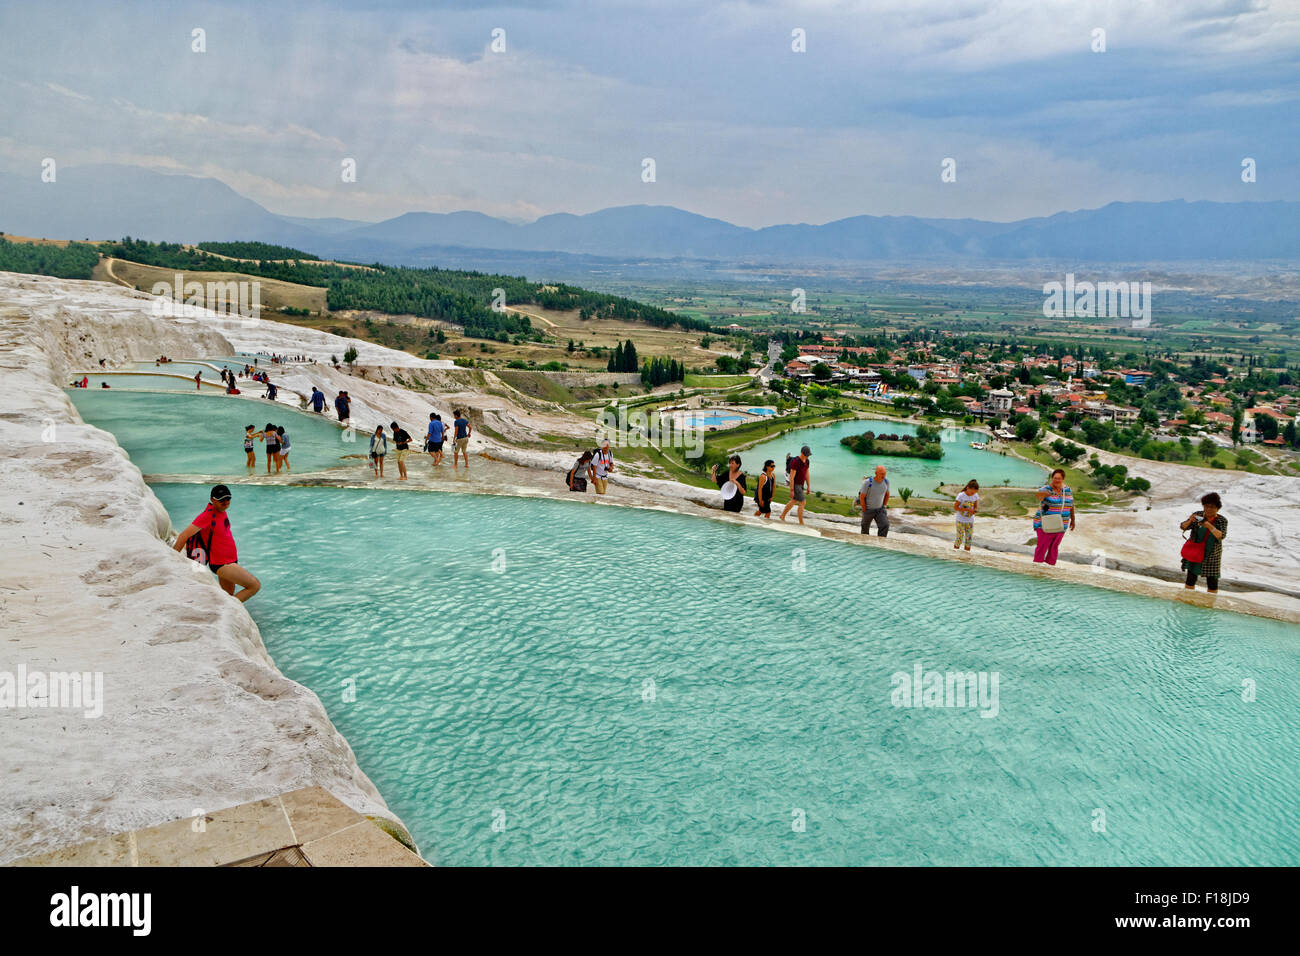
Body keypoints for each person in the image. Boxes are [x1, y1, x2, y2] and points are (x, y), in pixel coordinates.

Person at [172, 484, 261, 603]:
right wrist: (172, 560)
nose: (226, 502)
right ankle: (231, 610)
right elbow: (184, 536)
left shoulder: (221, 510)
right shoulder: (207, 515)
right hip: (222, 564)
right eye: (222, 500)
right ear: (212, 500)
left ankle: (225, 613)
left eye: (228, 498)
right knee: (254, 586)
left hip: (230, 560)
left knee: (228, 596)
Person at [1181, 492, 1227, 593]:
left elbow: (1221, 535)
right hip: (1195, 551)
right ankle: (1187, 600)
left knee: (1212, 581)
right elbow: (1183, 527)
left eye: (1212, 507)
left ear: (1218, 508)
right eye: (1206, 506)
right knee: (1191, 578)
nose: (1209, 509)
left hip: (1212, 554)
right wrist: (1190, 520)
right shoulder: (1198, 515)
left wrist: (1209, 525)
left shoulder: (1221, 520)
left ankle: (1210, 604)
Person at [1033, 468, 1075, 566]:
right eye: (1055, 478)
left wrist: (1073, 520)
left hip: (1062, 524)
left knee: (1054, 547)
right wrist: (1045, 493)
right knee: (1042, 547)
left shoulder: (1067, 490)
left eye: (1059, 478)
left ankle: (1050, 568)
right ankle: (1036, 567)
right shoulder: (1046, 489)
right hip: (1045, 523)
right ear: (1052, 478)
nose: (1056, 480)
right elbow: (1038, 496)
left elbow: (1071, 505)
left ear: (1063, 479)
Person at [780, 445, 812, 524]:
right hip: (795, 484)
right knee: (802, 502)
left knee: (794, 501)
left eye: (808, 455)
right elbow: (791, 477)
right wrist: (791, 490)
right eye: (806, 455)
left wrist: (808, 486)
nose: (807, 456)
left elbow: (807, 474)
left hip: (801, 484)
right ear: (802, 453)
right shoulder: (795, 462)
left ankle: (782, 516)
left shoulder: (807, 461)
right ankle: (801, 522)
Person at [954, 479, 979, 551]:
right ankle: (955, 554)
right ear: (967, 488)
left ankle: (966, 556)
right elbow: (955, 507)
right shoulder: (961, 495)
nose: (972, 494)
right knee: (959, 537)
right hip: (960, 520)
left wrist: (975, 510)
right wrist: (967, 510)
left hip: (970, 520)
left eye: (974, 493)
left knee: (969, 538)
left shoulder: (975, 496)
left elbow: (975, 506)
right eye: (971, 492)